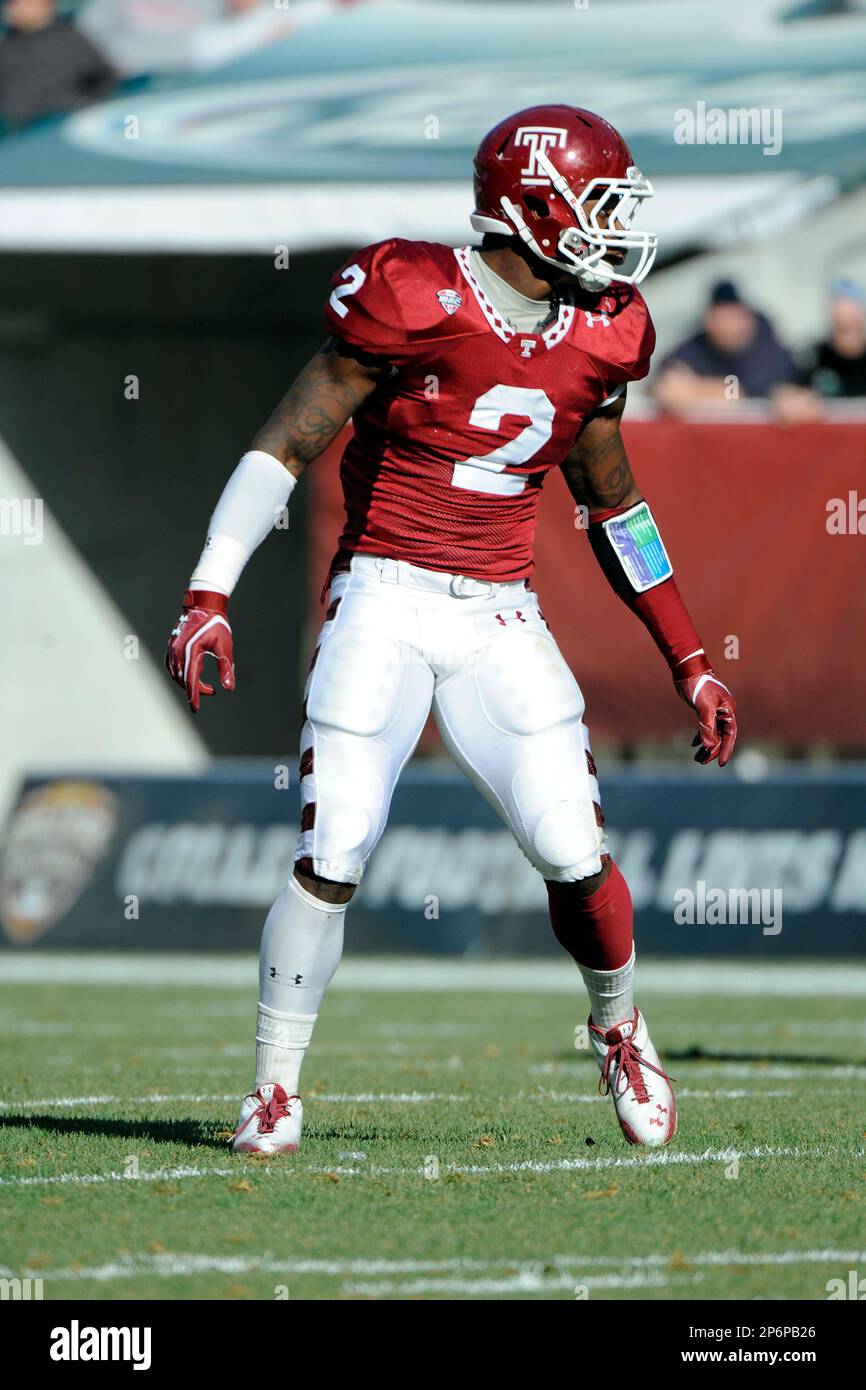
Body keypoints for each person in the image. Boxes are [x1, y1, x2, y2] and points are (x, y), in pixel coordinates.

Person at [166, 104, 738, 1156]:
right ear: (531, 206)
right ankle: (274, 1087)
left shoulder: (605, 329)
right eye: (597, 203)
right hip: (381, 596)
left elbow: (613, 503)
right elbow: (287, 442)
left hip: (496, 610)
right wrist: (210, 588)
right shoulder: (408, 293)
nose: (613, 230)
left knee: (572, 848)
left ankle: (615, 1025)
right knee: (331, 845)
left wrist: (690, 659)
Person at [653, 279, 820, 422]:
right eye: (720, 317)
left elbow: (746, 393)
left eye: (732, 317)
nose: (727, 326)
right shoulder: (697, 345)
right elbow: (664, 383)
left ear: (747, 318)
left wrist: (698, 391)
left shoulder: (770, 352)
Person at [0, 0, 116, 130]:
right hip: (28, 132)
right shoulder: (5, 51)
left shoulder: (69, 37)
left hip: (77, 121)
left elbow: (104, 76)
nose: (23, 9)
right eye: (15, 4)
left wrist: (86, 101)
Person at [804, 279, 866, 398]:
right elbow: (792, 390)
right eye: (838, 308)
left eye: (851, 309)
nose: (844, 317)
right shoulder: (814, 357)